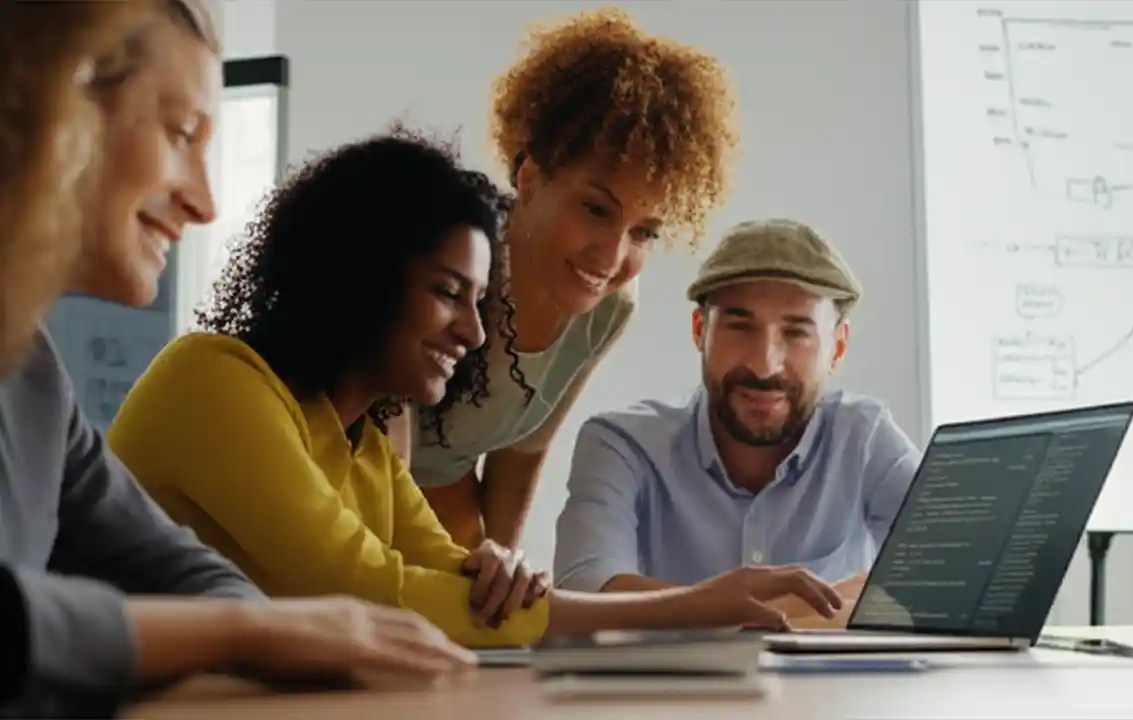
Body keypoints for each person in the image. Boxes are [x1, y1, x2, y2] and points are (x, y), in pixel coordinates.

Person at [107, 130, 843, 649]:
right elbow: (372, 589)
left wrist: (503, 569)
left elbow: (450, 571)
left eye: (480, 300)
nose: (474, 332)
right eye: (447, 293)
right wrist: (692, 606)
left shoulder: (362, 448)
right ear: (364, 274)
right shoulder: (214, 381)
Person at [0, 3, 473, 715]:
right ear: (49, 109)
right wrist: (242, 632)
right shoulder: (207, 379)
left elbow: (186, 574)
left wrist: (253, 629)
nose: (204, 202)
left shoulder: (34, 376)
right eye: (181, 134)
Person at [394, 6, 740, 550]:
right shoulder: (452, 256)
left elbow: (523, 450)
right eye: (596, 210)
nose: (612, 255)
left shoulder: (611, 306)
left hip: (439, 485)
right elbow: (371, 435)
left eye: (644, 232)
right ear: (531, 179)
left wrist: (503, 569)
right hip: (348, 472)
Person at [553, 219, 922, 627]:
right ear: (700, 331)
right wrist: (827, 608)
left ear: (837, 347)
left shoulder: (865, 437)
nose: (765, 365)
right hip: (676, 677)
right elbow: (584, 592)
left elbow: (941, 573)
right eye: (740, 327)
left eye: (796, 333)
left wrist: (694, 613)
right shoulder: (622, 444)